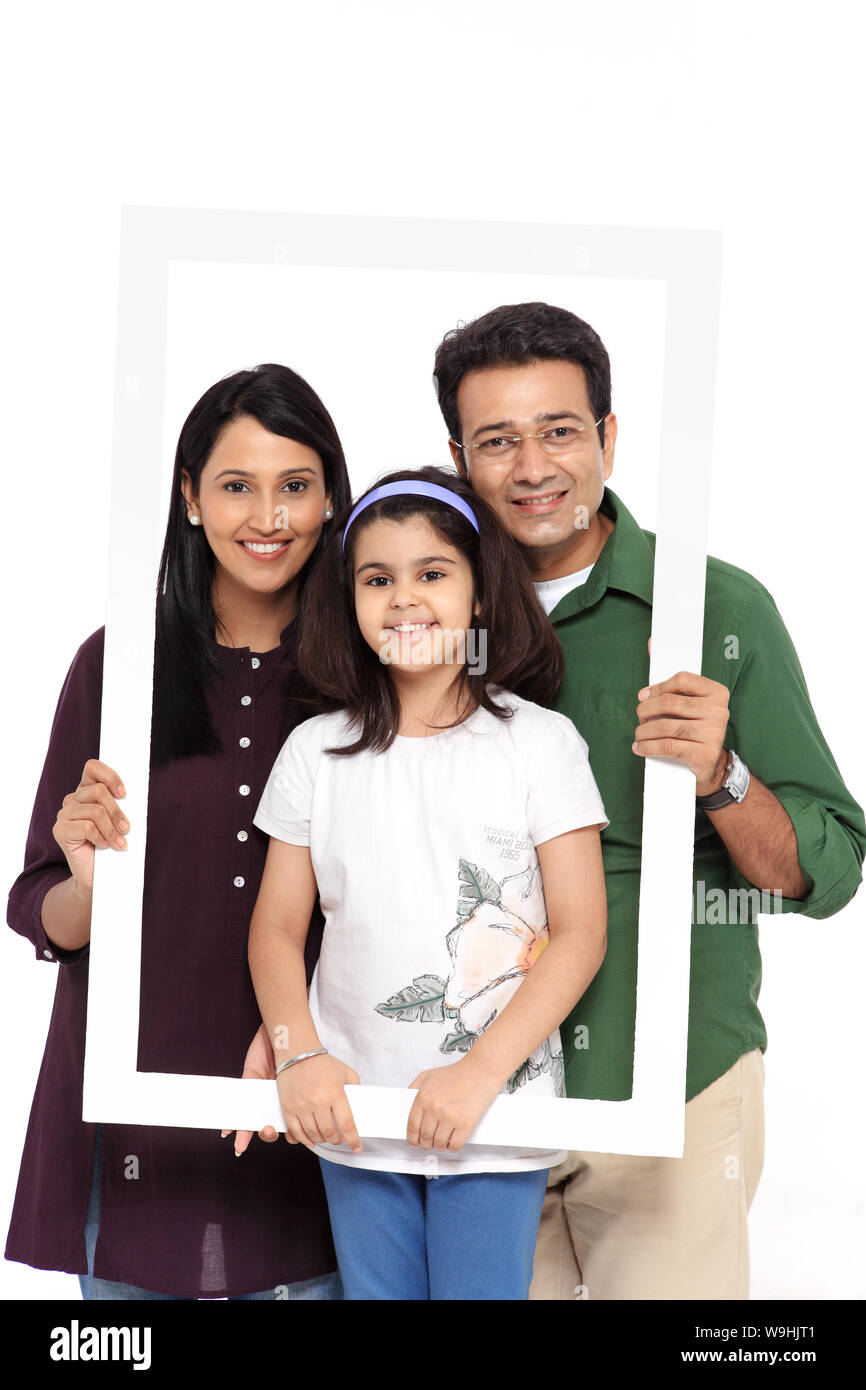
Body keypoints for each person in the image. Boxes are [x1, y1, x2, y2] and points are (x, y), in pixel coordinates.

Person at [431, 301, 866, 1300]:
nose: (532, 466)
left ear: (607, 438)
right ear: (458, 457)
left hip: (668, 1090)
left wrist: (722, 775)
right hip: (468, 1104)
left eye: (558, 431)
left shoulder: (715, 609)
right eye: (497, 441)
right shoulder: (413, 612)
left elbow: (826, 870)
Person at [5, 363, 352, 1299]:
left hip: (312, 1114)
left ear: (331, 500)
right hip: (134, 1127)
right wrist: (85, 882)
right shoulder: (117, 666)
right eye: (236, 486)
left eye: (295, 486)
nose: (267, 517)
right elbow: (42, 909)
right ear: (190, 499)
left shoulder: (369, 679)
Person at [246, 467, 609, 1301]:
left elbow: (581, 932)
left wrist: (478, 1075)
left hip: (492, 1113)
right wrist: (299, 1055)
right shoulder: (315, 752)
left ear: (481, 596)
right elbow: (275, 928)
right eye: (378, 579)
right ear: (350, 601)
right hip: (352, 1113)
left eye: (433, 574)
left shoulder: (540, 744)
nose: (404, 599)